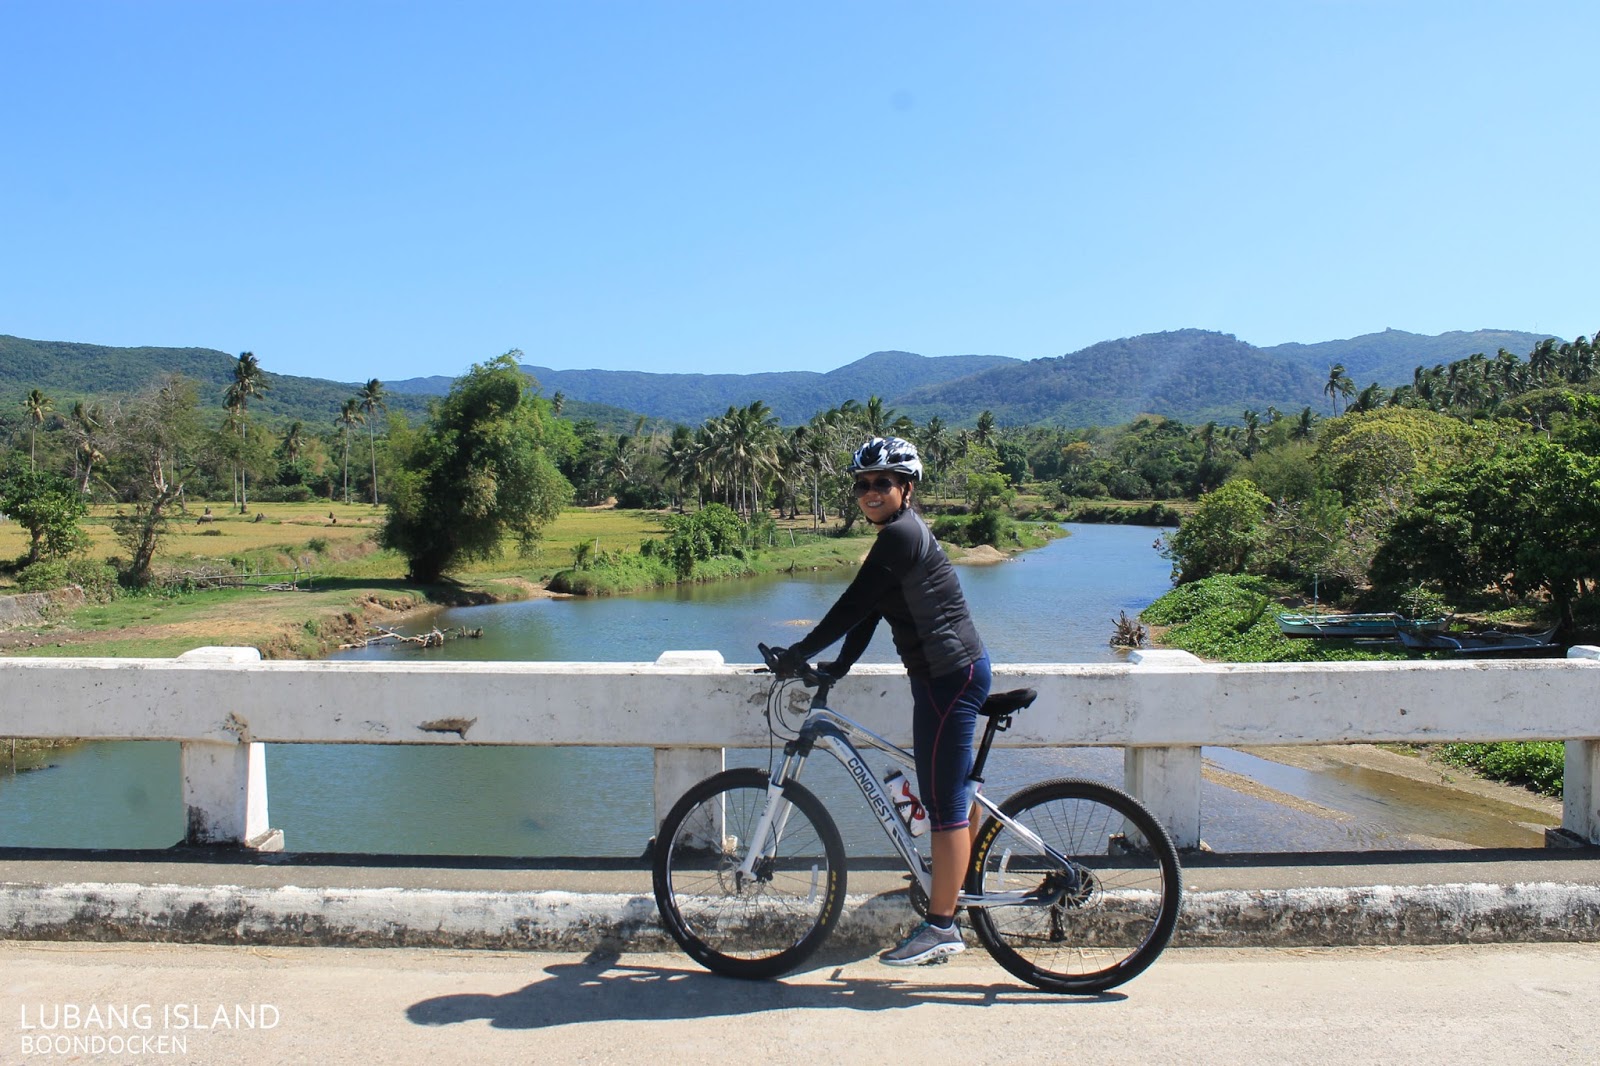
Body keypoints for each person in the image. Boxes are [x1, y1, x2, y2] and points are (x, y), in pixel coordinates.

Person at [769, 436, 991, 966]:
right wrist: (838, 665)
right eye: (863, 484)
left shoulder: (901, 534)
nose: (871, 492)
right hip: (944, 675)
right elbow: (872, 610)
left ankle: (941, 926)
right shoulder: (898, 536)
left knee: (944, 807)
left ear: (906, 489)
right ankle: (960, 884)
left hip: (948, 677)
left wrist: (798, 650)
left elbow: (853, 602)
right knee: (951, 793)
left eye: (882, 483)